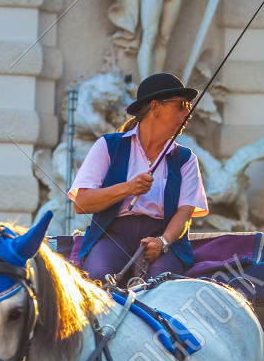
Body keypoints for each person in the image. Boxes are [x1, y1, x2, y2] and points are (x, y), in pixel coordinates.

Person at [69, 72, 208, 284]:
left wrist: (163, 242)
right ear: (155, 107)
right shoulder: (108, 146)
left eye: (189, 107)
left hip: (163, 237)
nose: (188, 113)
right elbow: (82, 203)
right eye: (181, 105)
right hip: (113, 235)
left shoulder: (186, 159)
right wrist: (129, 188)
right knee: (97, 277)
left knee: (160, 284)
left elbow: (185, 213)